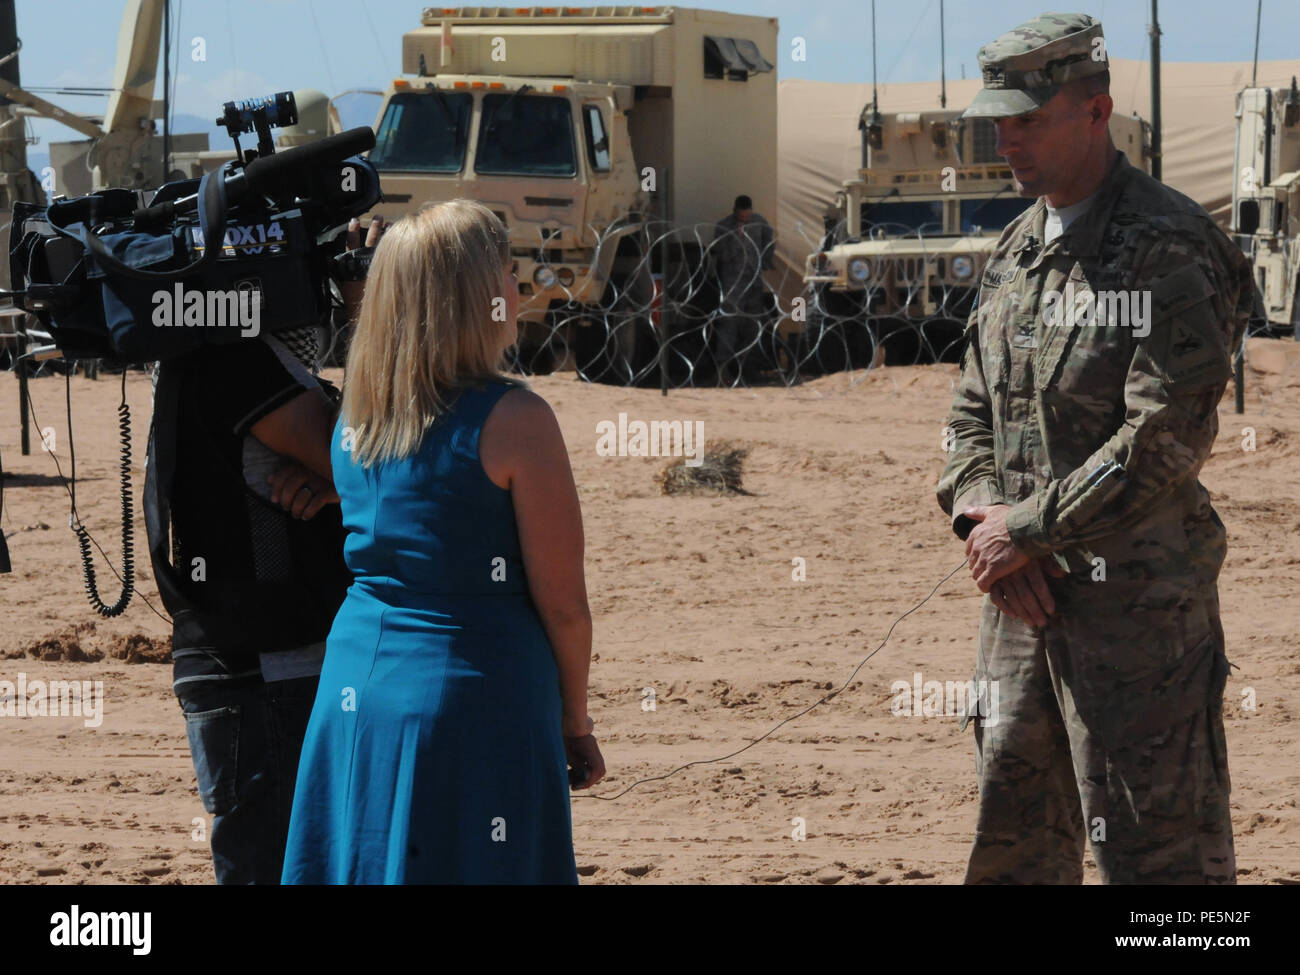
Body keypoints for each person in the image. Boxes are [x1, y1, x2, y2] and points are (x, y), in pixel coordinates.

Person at [936, 12, 1253, 884]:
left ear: (1095, 110)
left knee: (1160, 867)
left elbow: (1165, 433)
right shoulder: (1013, 252)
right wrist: (980, 520)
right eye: (997, 121)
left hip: (1139, 628)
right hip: (1019, 611)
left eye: (1027, 119)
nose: (1006, 138)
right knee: (1014, 851)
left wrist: (1027, 528)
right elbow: (968, 417)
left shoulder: (1168, 244)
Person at [280, 199, 604, 885]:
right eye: (507, 274)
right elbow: (566, 607)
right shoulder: (517, 420)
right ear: (474, 298)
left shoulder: (355, 423)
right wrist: (574, 720)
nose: (517, 291)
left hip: (355, 698)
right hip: (471, 703)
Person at [151, 218, 383, 885]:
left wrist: (338, 484)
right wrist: (368, 309)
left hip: (254, 667)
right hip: (264, 676)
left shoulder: (218, 358)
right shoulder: (239, 362)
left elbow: (352, 464)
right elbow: (374, 462)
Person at [711, 194, 774, 384]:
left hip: (753, 283)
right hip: (732, 283)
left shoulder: (759, 223)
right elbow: (719, 253)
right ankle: (723, 370)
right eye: (741, 215)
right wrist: (734, 240)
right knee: (729, 325)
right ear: (735, 210)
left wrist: (765, 262)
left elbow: (768, 243)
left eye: (747, 214)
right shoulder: (724, 226)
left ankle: (749, 369)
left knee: (752, 327)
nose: (744, 218)